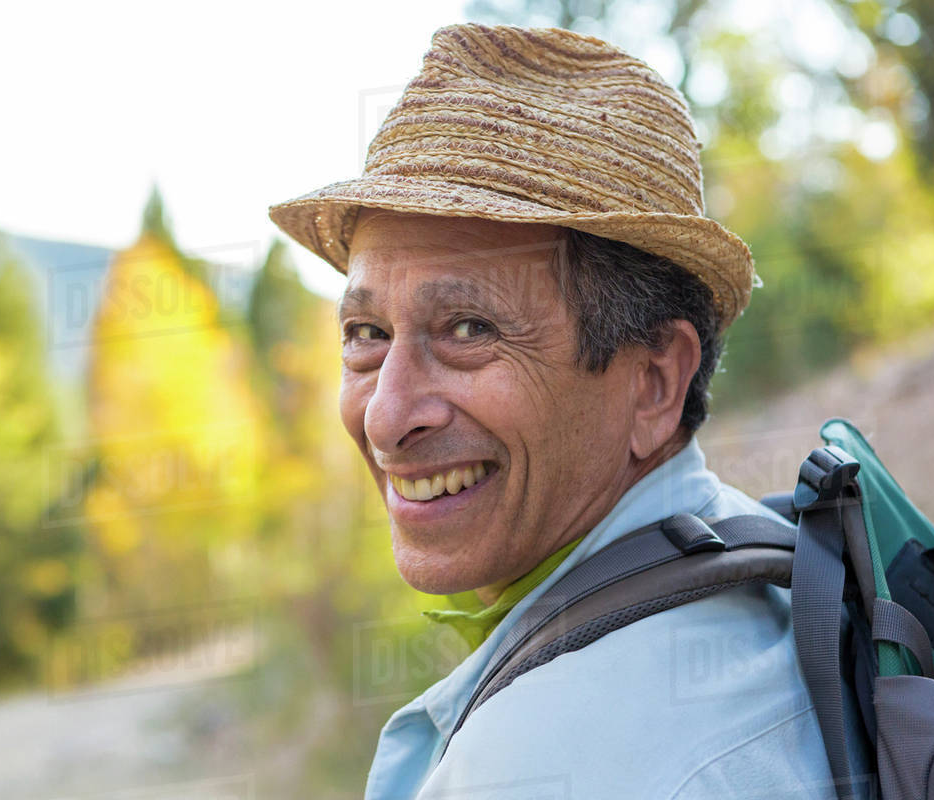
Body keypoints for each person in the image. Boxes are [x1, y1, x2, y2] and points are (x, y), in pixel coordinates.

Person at [269, 22, 837, 800]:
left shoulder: (536, 769)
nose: (384, 416)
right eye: (366, 334)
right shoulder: (772, 573)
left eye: (469, 329)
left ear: (655, 383)